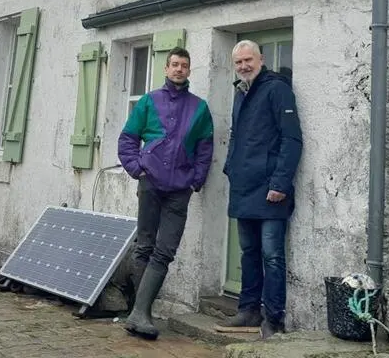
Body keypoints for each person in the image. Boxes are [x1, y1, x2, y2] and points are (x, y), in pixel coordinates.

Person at [117, 47, 214, 340]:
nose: (179, 69)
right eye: (174, 64)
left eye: (184, 65)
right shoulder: (149, 101)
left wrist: (196, 180)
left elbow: (205, 149)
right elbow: (128, 139)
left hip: (179, 189)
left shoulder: (199, 108)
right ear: (166, 68)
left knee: (165, 250)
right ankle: (139, 312)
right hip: (150, 183)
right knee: (144, 246)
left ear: (189, 70)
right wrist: (137, 169)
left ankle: (139, 314)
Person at [220, 40, 303, 340]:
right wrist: (230, 168)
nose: (243, 66)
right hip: (244, 186)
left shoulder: (277, 89)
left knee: (272, 256)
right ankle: (249, 310)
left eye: (248, 60)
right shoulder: (240, 92)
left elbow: (292, 139)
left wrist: (280, 183)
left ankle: (274, 320)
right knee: (249, 253)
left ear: (261, 59)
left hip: (270, 189)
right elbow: (236, 135)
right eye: (238, 62)